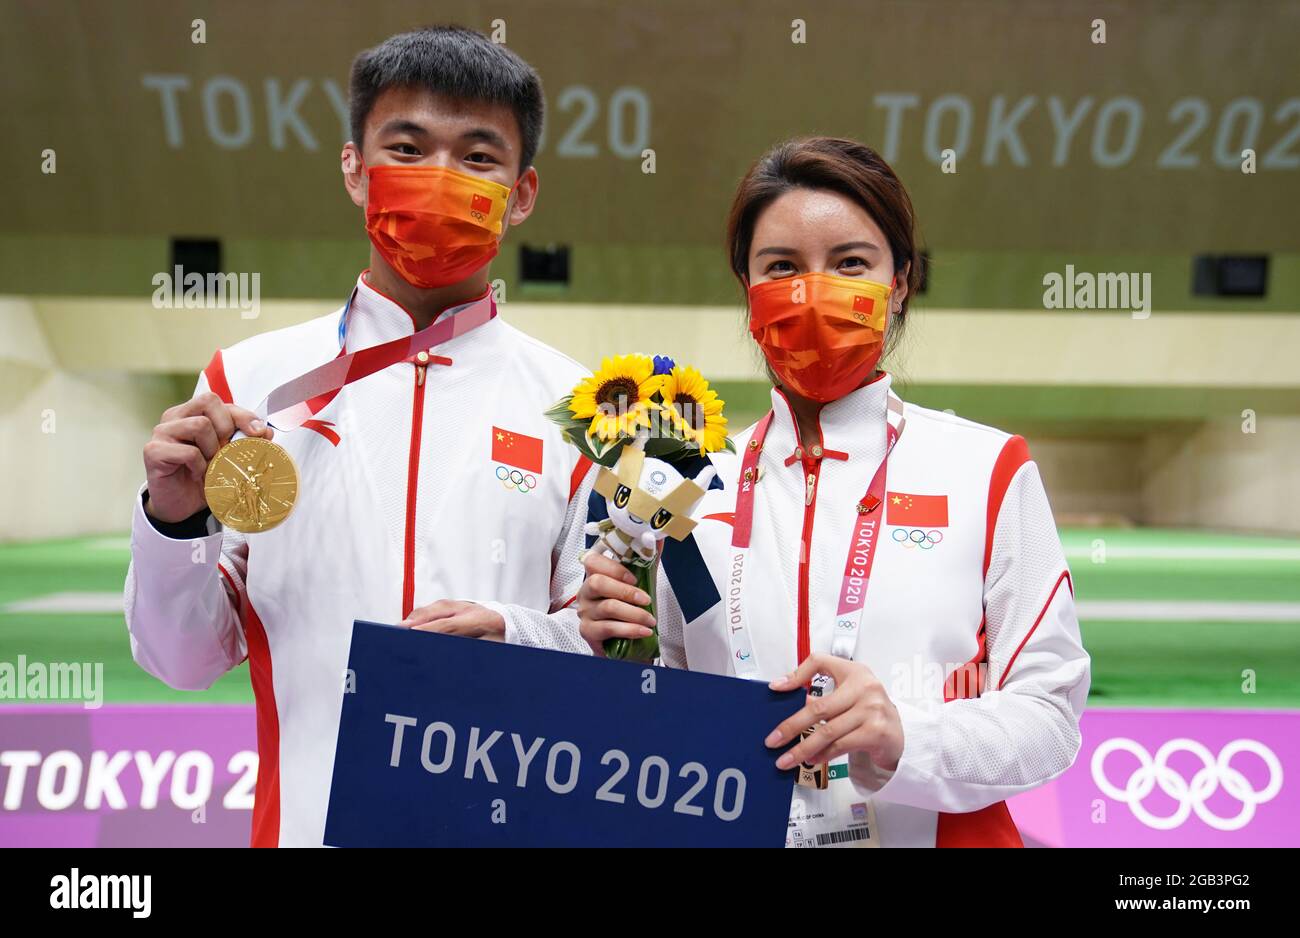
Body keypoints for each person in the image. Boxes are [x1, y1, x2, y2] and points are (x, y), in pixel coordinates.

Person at [124, 26, 596, 847]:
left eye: (477, 157)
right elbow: (182, 660)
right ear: (354, 169)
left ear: (522, 194)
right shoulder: (247, 383)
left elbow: (616, 665)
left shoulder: (582, 409)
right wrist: (174, 525)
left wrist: (516, 632)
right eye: (406, 148)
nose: (439, 179)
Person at [576, 137, 1090, 847]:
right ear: (748, 291)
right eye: (782, 267)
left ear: (900, 282)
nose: (814, 292)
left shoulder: (987, 467)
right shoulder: (683, 480)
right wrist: (612, 658)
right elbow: (662, 708)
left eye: (850, 264)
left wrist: (905, 735)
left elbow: (1051, 718)